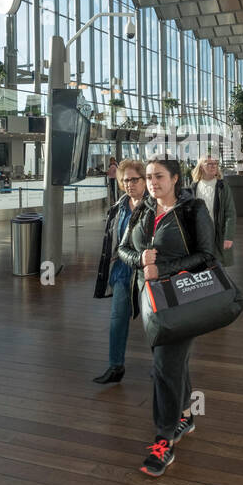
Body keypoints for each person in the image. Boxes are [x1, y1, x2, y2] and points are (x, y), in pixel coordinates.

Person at [117, 158, 220, 477]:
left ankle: (164, 442)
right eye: (147, 177)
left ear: (175, 178)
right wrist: (140, 259)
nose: (151, 182)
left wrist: (162, 268)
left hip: (181, 300)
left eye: (158, 176)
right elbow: (122, 249)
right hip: (150, 303)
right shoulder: (144, 210)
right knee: (174, 364)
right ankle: (186, 416)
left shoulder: (193, 211)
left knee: (163, 368)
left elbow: (207, 255)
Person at [91, 159, 148, 384]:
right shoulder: (120, 206)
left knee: (154, 320)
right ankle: (116, 366)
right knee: (117, 318)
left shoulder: (154, 205)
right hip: (123, 270)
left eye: (134, 179)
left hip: (147, 270)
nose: (130, 184)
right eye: (126, 180)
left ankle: (163, 366)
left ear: (144, 181)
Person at [191, 154, 236, 265]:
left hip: (217, 233)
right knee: (200, 265)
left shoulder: (222, 186)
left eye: (215, 163)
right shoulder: (194, 186)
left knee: (218, 266)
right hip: (199, 234)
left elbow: (230, 213)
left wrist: (228, 237)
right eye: (209, 163)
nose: (213, 166)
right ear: (201, 166)